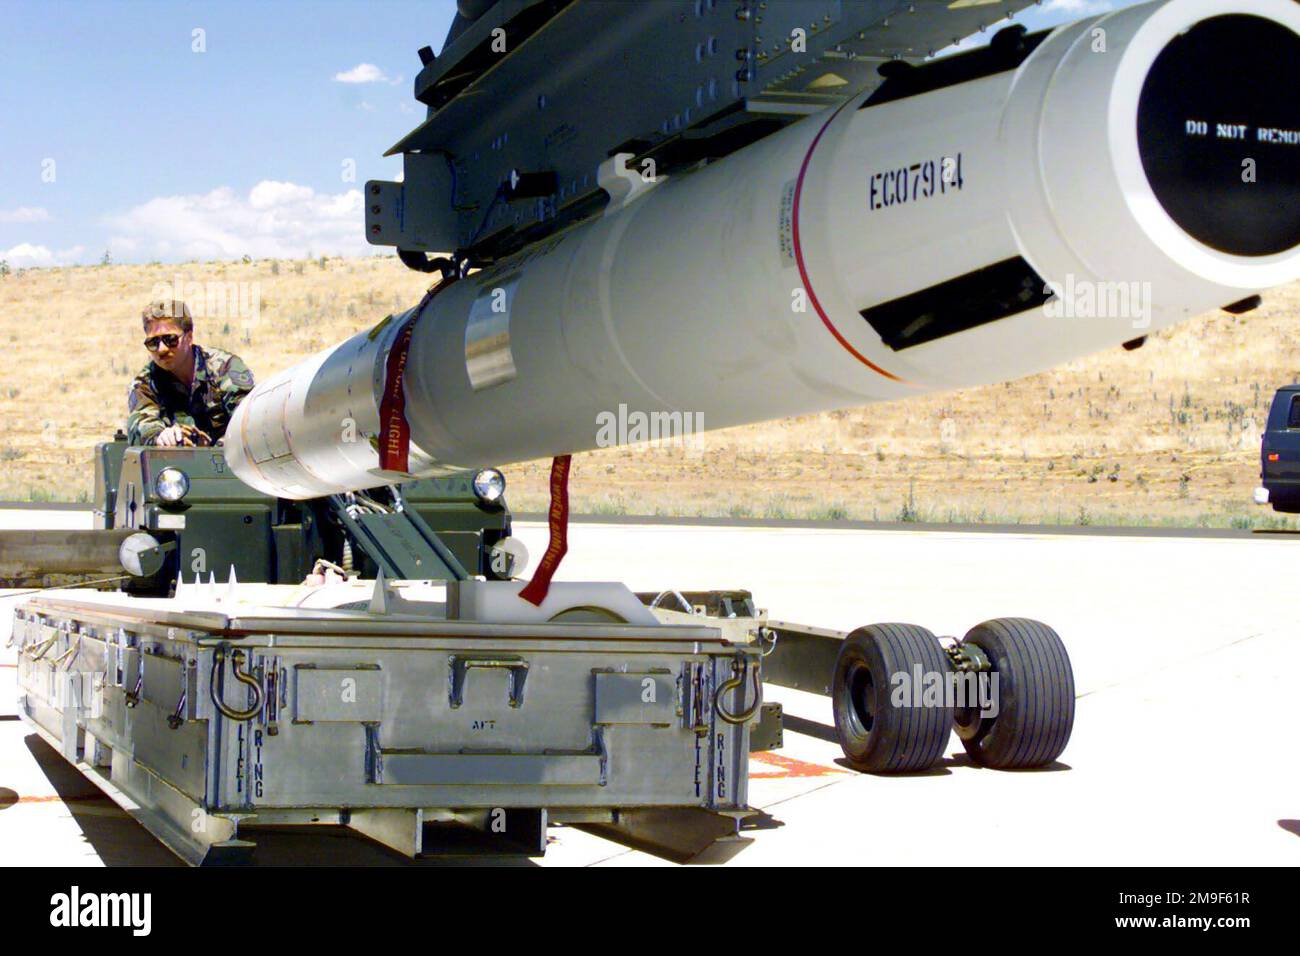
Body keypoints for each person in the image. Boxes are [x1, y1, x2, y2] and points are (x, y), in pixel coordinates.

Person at [126, 299, 255, 446]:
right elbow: (140, 423)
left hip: (230, 459)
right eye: (153, 343)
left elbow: (249, 422)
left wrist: (214, 449)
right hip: (176, 465)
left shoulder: (225, 368)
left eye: (170, 339)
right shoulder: (145, 383)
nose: (161, 349)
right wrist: (160, 436)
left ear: (189, 337)